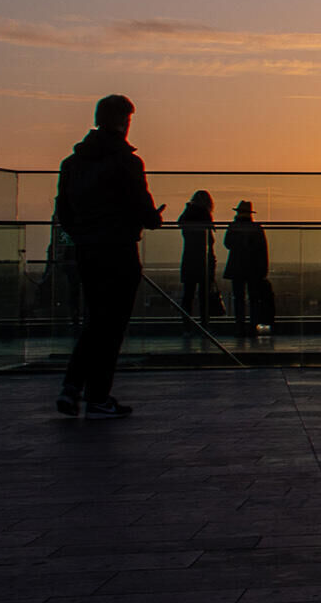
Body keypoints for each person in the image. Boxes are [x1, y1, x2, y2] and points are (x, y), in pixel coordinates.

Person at [54, 94, 164, 419]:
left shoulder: (72, 164)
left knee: (95, 321)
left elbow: (65, 211)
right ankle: (97, 396)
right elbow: (142, 206)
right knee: (112, 326)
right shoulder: (126, 162)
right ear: (123, 121)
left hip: (87, 251)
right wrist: (152, 219)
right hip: (119, 250)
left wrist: (83, 234)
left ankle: (72, 386)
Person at [222, 200, 268, 335]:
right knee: (253, 299)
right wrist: (263, 269)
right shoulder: (256, 228)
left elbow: (227, 244)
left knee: (239, 298)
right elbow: (262, 250)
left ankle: (240, 326)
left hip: (237, 268)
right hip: (253, 268)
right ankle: (253, 325)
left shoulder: (234, 227)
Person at [176, 190, 216, 328]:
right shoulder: (205, 215)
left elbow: (180, 224)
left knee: (188, 295)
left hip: (189, 259)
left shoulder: (187, 215)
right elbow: (210, 242)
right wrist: (212, 262)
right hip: (202, 261)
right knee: (203, 297)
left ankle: (186, 326)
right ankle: (204, 325)